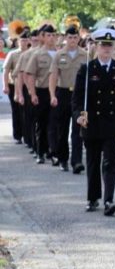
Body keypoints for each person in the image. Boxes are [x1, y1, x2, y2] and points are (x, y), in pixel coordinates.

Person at [73, 28, 115, 216]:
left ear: (113, 47)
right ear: (96, 47)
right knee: (92, 160)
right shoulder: (87, 69)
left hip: (111, 121)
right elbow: (77, 97)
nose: (106, 48)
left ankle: (109, 199)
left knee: (109, 160)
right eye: (102, 45)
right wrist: (78, 115)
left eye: (109, 45)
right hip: (91, 121)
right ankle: (93, 197)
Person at [48, 25, 88, 173]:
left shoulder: (85, 55)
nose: (72, 40)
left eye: (75, 37)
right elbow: (53, 76)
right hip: (63, 94)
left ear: (78, 38)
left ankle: (76, 161)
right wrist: (52, 95)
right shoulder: (59, 55)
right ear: (65, 38)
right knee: (62, 129)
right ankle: (63, 158)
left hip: (79, 95)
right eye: (70, 37)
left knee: (78, 130)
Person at [24, 24, 58, 165]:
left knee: (54, 124)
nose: (51, 38)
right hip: (42, 92)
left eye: (53, 35)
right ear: (43, 37)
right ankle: (40, 152)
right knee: (41, 124)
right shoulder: (37, 54)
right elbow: (30, 75)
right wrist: (32, 93)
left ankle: (53, 152)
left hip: (57, 92)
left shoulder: (60, 53)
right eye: (48, 35)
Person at [3, 30, 30, 145]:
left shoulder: (31, 53)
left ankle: (27, 134)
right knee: (16, 110)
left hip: (27, 85)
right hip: (13, 84)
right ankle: (18, 135)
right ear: (18, 41)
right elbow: (6, 70)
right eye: (22, 40)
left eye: (25, 40)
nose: (23, 42)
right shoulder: (13, 54)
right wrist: (5, 85)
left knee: (27, 111)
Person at [15, 29, 39, 153]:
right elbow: (20, 76)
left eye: (37, 39)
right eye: (33, 40)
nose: (35, 42)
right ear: (30, 40)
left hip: (44, 89)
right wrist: (19, 94)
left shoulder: (48, 52)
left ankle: (44, 145)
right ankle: (32, 143)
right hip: (29, 89)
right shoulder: (25, 55)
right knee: (31, 118)